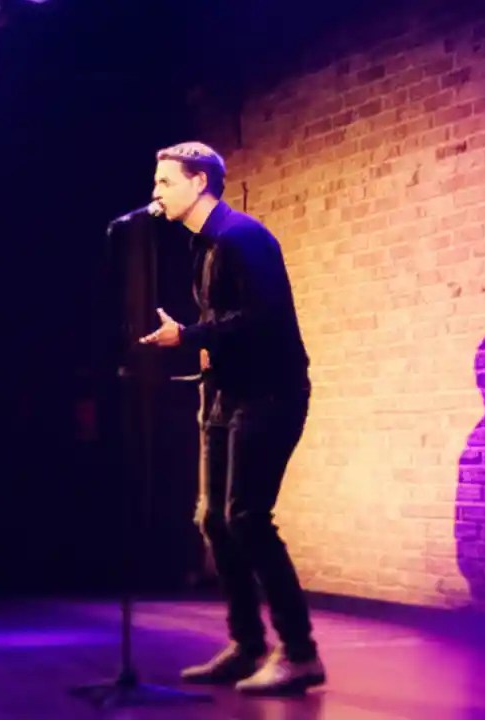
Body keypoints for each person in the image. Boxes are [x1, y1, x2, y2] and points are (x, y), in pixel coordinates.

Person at [139, 141, 324, 695]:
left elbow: (264, 319)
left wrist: (190, 336)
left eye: (165, 182)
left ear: (199, 182)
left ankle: (300, 653)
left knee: (246, 516)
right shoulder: (206, 244)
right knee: (213, 520)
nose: (155, 192)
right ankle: (248, 645)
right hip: (226, 396)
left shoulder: (243, 237)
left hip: (269, 396)